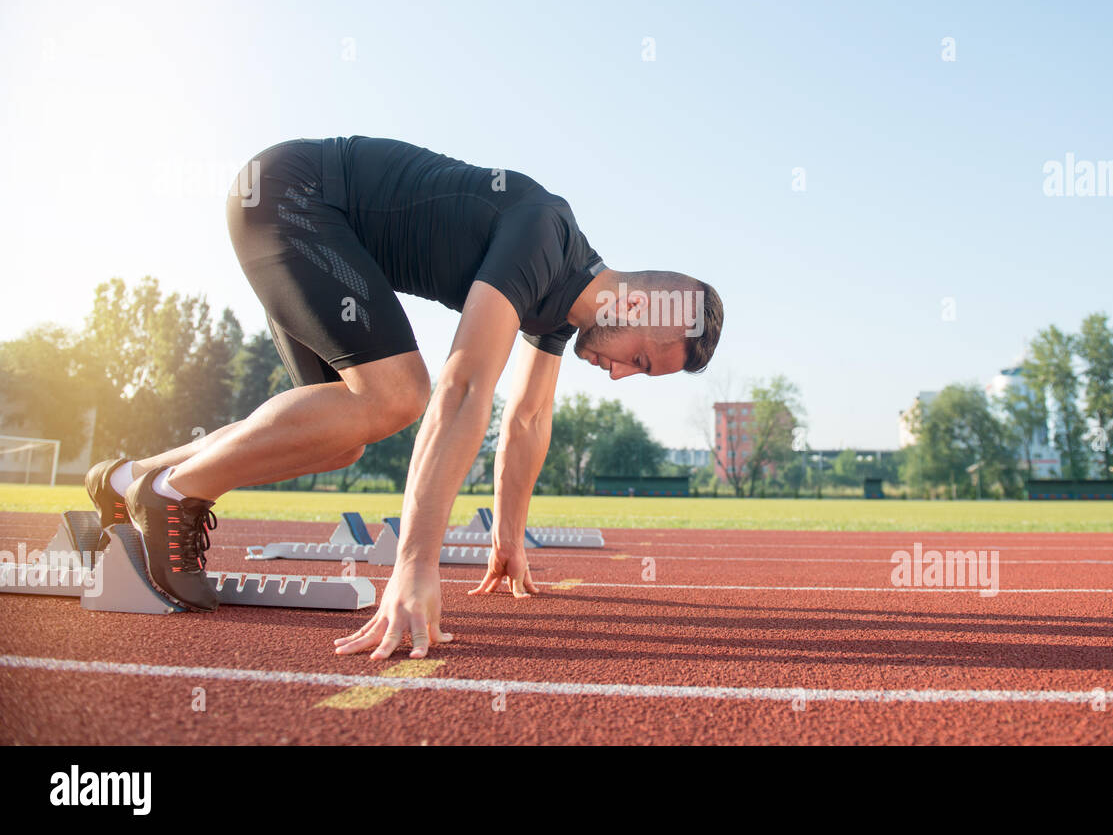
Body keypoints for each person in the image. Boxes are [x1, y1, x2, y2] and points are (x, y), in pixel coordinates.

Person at [82, 136, 723, 660]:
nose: (620, 376)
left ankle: (134, 478)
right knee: (397, 395)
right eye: (639, 360)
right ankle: (175, 495)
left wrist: (508, 538)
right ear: (637, 304)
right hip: (293, 196)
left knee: (342, 435)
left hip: (311, 223)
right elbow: (465, 386)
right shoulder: (546, 235)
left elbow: (527, 418)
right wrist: (415, 565)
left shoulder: (558, 310)